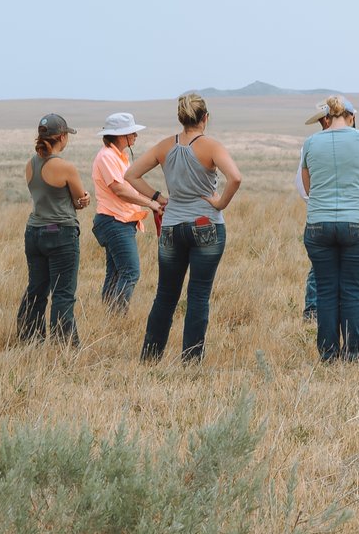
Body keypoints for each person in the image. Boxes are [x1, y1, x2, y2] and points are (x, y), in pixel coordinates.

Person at [124, 92, 245, 363]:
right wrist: (220, 203)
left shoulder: (164, 146)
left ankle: (150, 357)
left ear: (181, 118)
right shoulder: (211, 147)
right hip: (206, 224)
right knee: (198, 296)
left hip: (171, 227)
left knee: (165, 295)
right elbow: (235, 177)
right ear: (205, 118)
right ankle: (191, 361)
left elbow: (130, 175)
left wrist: (158, 198)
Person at [298, 96, 359, 363]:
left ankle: (328, 353)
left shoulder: (311, 143)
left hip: (319, 223)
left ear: (326, 118)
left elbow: (308, 187)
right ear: (351, 116)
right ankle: (354, 352)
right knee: (352, 291)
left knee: (325, 290)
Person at [20, 113, 90, 344]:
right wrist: (85, 200)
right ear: (61, 137)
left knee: (36, 289)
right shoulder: (65, 167)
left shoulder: (30, 164)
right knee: (63, 293)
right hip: (61, 233)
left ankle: (29, 339)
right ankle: (64, 344)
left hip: (34, 232)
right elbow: (79, 201)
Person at [90, 112, 163, 314]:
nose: (135, 136)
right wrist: (151, 204)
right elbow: (120, 190)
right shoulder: (107, 157)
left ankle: (108, 317)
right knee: (130, 271)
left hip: (120, 221)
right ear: (120, 136)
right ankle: (117, 316)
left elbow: (132, 187)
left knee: (115, 272)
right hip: (115, 221)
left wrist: (158, 199)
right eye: (132, 132)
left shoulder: (118, 157)